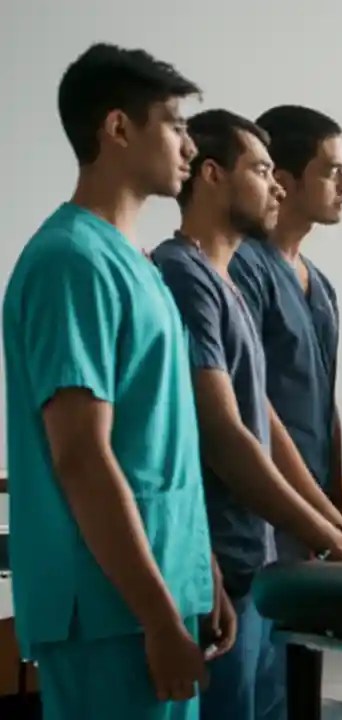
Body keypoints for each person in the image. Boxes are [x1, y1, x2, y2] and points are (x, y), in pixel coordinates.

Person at [151, 109, 342, 720]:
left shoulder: (280, 283)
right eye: (265, 171)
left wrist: (334, 516)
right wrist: (326, 530)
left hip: (275, 533)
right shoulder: (201, 272)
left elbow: (307, 413)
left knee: (287, 697)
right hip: (243, 531)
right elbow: (238, 423)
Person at [1, 43, 233, 720]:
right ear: (118, 128)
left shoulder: (137, 264)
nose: (189, 145)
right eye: (175, 123)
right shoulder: (70, 261)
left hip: (159, 591)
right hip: (112, 612)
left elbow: (158, 445)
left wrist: (199, 571)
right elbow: (81, 455)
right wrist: (159, 616)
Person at [227, 104, 342, 716]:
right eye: (332, 172)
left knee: (299, 689)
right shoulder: (243, 269)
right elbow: (256, 406)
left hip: (312, 518)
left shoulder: (321, 285)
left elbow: (324, 406)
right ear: (287, 177)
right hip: (265, 513)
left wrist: (336, 515)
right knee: (255, 686)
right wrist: (313, 514)